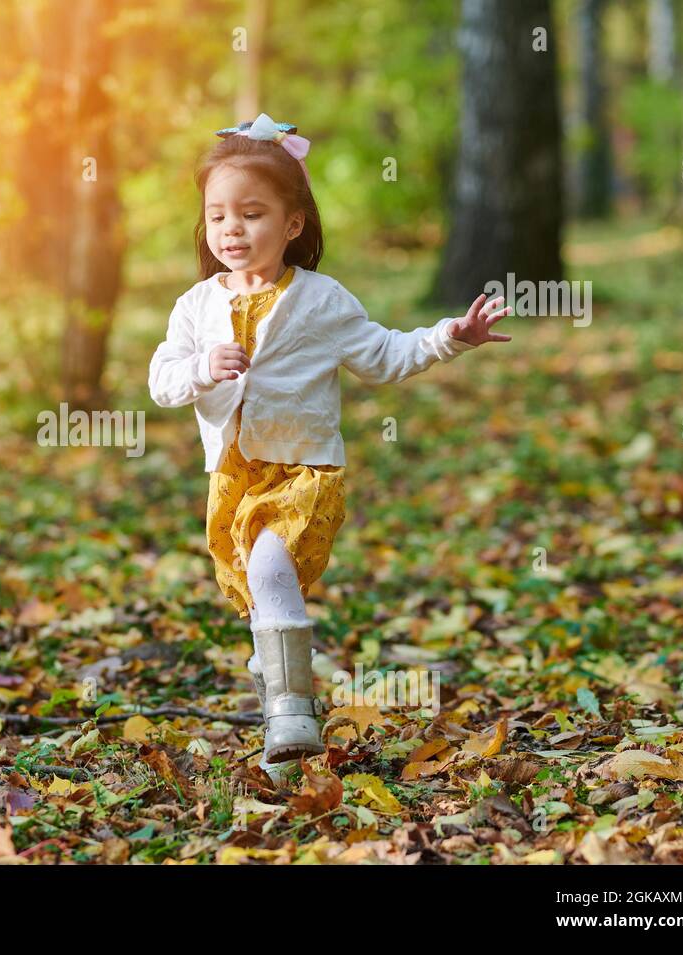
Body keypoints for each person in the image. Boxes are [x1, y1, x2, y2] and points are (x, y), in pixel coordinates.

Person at [147, 113, 512, 783]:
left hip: (305, 470)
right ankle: (281, 729)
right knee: (259, 597)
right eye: (219, 215)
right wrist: (203, 368)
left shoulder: (320, 301)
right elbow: (163, 379)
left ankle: (291, 710)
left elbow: (384, 355)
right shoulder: (196, 307)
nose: (232, 229)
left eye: (252, 213)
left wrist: (449, 336)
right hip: (234, 475)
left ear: (291, 223)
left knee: (270, 572)